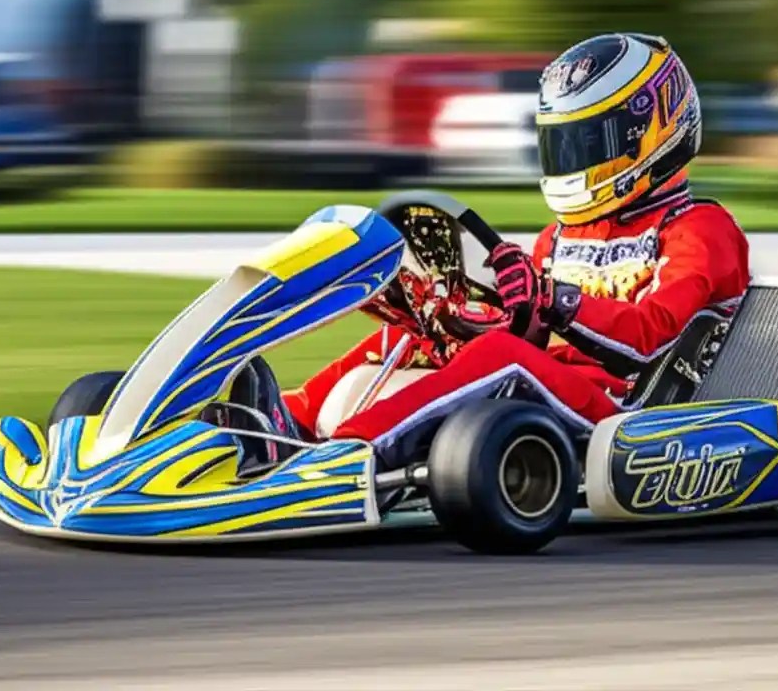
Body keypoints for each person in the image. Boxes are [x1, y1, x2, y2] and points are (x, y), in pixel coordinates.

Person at [282, 32, 751, 469]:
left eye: (589, 143)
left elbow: (650, 339)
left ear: (650, 131)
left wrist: (554, 298)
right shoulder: (563, 235)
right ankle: (283, 423)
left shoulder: (699, 229)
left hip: (628, 409)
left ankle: (348, 455)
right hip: (554, 384)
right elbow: (532, 337)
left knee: (502, 355)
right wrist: (455, 316)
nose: (575, 160)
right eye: (564, 145)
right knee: (409, 336)